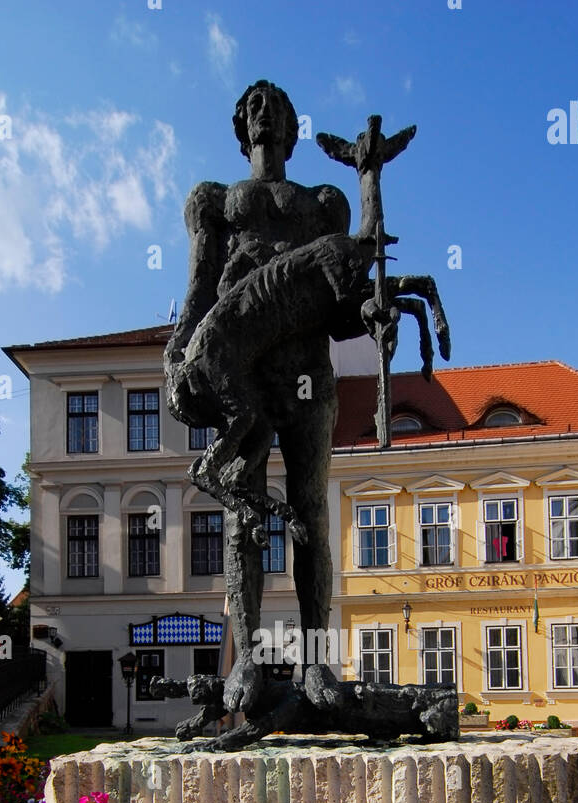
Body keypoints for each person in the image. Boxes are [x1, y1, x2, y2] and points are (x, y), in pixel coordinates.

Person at [165, 80, 374, 717]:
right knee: (242, 516)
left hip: (308, 370)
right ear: (241, 128)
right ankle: (248, 659)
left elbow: (343, 311)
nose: (263, 115)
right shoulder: (216, 202)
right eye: (252, 107)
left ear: (291, 125)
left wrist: (373, 313)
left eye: (274, 106)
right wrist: (177, 359)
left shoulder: (324, 204)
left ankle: (316, 659)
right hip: (244, 374)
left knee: (309, 509)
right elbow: (199, 297)